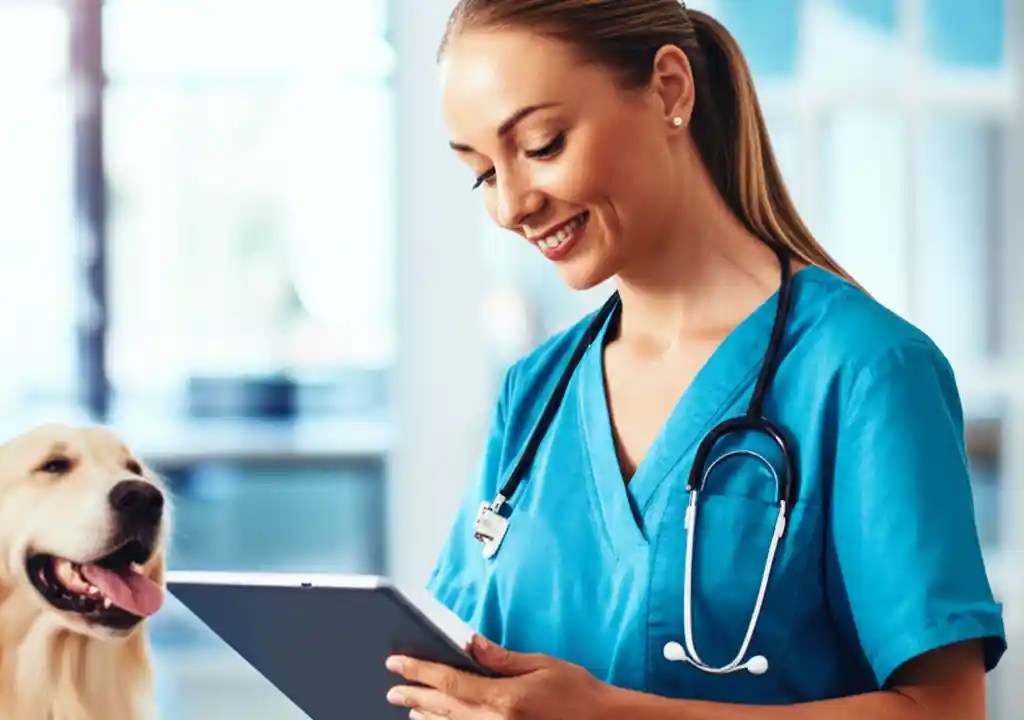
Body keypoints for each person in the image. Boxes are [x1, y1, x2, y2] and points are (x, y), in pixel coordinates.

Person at [383, 1, 1008, 718]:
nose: (511, 206)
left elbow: (945, 711)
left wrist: (609, 715)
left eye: (543, 144)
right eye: (483, 174)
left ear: (670, 90)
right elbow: (469, 668)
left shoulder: (866, 373)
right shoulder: (535, 394)